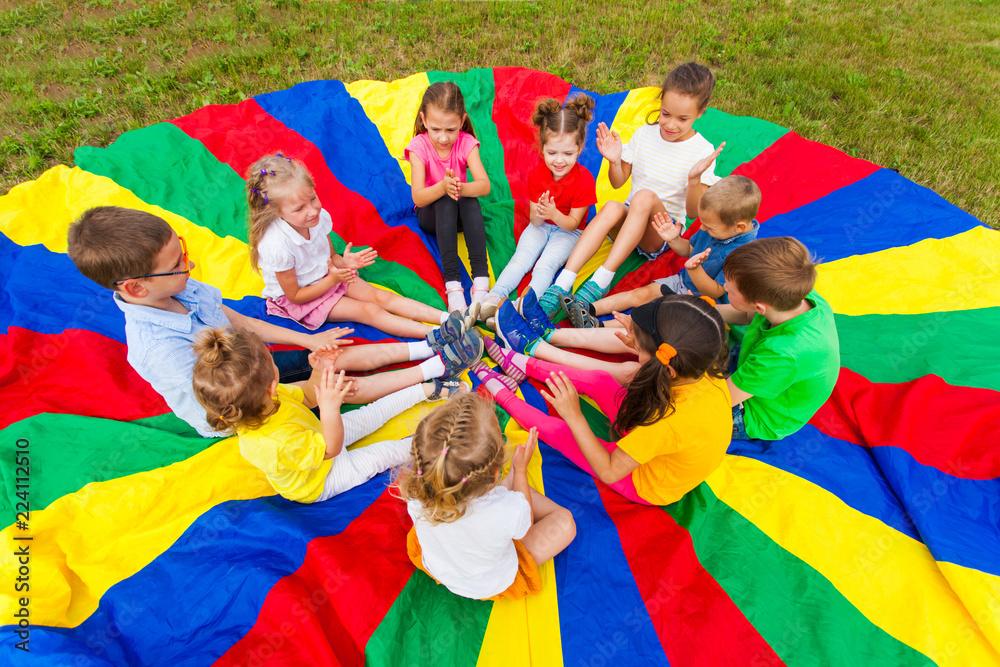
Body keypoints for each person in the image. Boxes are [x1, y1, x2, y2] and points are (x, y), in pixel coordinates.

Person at [66, 206, 482, 437]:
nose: (189, 263)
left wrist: (308, 342)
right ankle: (432, 375)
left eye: (184, 250)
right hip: (247, 408)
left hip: (256, 368)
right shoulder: (161, 351)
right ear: (137, 288)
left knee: (336, 355)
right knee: (339, 389)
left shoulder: (182, 287)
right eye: (177, 263)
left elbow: (243, 323)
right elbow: (221, 412)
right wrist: (304, 393)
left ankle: (427, 345)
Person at [479, 294, 732, 506]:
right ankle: (518, 361)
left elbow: (609, 471)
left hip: (641, 480)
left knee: (560, 430)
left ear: (665, 365)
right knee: (600, 380)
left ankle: (500, 390)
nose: (634, 348)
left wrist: (575, 416)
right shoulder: (702, 367)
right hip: (653, 426)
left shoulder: (669, 424)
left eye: (639, 349)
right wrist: (638, 346)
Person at [538, 62, 723, 320]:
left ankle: (600, 281)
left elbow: (694, 212)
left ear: (700, 113)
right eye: (665, 114)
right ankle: (564, 282)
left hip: (658, 234)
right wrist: (614, 160)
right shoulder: (645, 134)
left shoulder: (702, 151)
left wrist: (694, 180)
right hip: (627, 224)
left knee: (644, 196)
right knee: (613, 205)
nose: (670, 124)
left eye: (682, 119)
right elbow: (617, 182)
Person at [192, 328, 464, 503]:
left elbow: (310, 396)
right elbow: (332, 449)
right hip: (321, 477)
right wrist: (330, 409)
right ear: (271, 385)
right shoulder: (275, 444)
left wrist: (322, 369)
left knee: (372, 413)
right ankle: (443, 441)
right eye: (271, 358)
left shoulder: (272, 396)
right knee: (384, 454)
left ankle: (429, 389)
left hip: (320, 436)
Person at [246, 153, 450, 339]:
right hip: (305, 298)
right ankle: (438, 335)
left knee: (382, 296)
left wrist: (345, 263)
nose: (312, 210)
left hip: (329, 276)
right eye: (299, 208)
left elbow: (331, 257)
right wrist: (334, 278)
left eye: (313, 199)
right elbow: (296, 296)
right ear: (275, 212)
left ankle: (449, 319)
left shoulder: (316, 219)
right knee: (370, 312)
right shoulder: (276, 246)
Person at [395, 394, 576, 600]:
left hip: (439, 565)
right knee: (565, 523)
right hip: (487, 583)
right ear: (495, 473)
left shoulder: (416, 489)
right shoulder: (507, 511)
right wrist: (519, 470)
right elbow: (524, 531)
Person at [563, 175, 761, 327]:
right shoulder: (717, 225)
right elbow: (689, 249)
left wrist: (695, 270)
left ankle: (598, 326)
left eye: (710, 228)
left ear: (740, 227)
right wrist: (674, 239)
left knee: (654, 314)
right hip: (683, 280)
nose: (702, 229)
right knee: (641, 294)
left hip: (704, 301)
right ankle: (586, 308)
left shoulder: (743, 255)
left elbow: (717, 291)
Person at [479, 95, 598, 318]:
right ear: (542, 148)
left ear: (579, 149)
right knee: (521, 259)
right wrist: (540, 214)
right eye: (552, 153)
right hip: (543, 225)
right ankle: (494, 296)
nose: (559, 161)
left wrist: (553, 213)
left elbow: (572, 224)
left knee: (545, 266)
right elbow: (535, 221)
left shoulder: (584, 180)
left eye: (568, 154)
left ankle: (522, 306)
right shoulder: (537, 174)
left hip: (568, 232)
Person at [716, 237, 840, 441]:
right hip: (754, 367)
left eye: (730, 289)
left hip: (753, 414)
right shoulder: (795, 295)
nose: (724, 286)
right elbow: (747, 315)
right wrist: (701, 309)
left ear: (760, 307)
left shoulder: (784, 352)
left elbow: (721, 399)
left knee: (672, 409)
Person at [405, 82, 492, 312]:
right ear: (424, 120)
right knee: (445, 200)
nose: (443, 138)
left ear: (462, 121)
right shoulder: (419, 146)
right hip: (432, 216)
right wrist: (444, 187)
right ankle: (453, 284)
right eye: (436, 129)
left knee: (469, 198)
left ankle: (481, 282)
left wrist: (460, 188)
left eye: (451, 130)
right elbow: (418, 198)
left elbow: (484, 186)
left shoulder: (466, 143)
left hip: (460, 217)